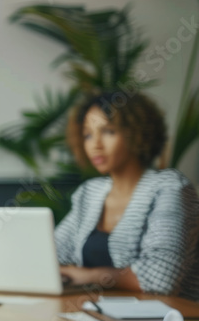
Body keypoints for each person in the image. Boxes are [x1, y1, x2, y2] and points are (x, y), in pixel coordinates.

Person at [54, 91, 199, 300]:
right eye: (87, 134)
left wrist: (90, 276)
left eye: (108, 131)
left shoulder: (170, 187)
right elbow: (52, 255)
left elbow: (161, 280)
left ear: (136, 133)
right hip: (100, 311)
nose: (95, 144)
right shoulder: (90, 192)